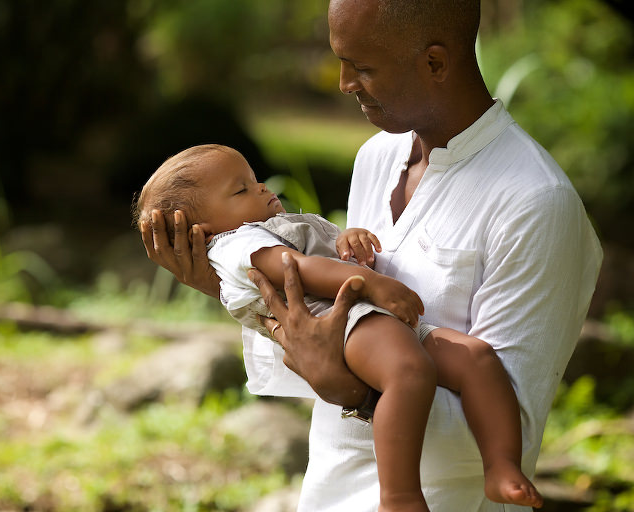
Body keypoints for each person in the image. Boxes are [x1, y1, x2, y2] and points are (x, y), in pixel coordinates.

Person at [139, 0, 603, 510]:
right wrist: (237, 288)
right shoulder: (376, 158)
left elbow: (513, 426)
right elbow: (321, 331)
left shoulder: (535, 201)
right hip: (328, 491)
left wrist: (357, 395)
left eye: (362, 67)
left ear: (434, 63)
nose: (343, 83)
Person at [136, 143, 543, 510]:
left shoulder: (278, 227)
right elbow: (299, 268)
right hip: (343, 321)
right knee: (409, 372)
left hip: (372, 320)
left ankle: (502, 465)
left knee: (476, 355)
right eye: (241, 190)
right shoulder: (235, 244)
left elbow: (329, 251)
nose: (260, 188)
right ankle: (400, 497)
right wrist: (374, 282)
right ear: (204, 232)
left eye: (254, 179)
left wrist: (351, 239)